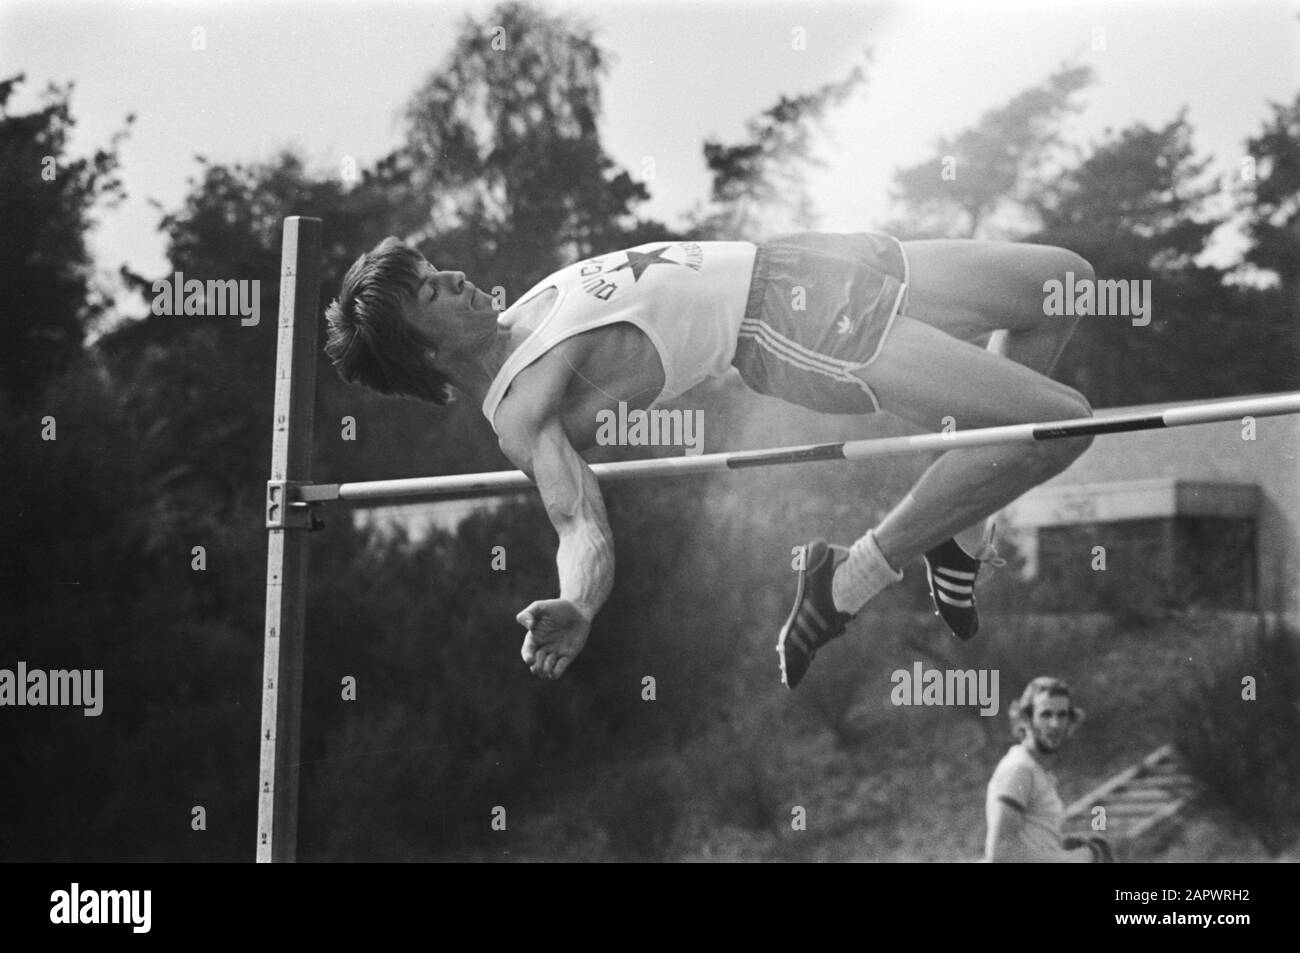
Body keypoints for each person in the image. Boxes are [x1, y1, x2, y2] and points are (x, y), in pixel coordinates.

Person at [324, 232, 1095, 685]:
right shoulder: (525, 412)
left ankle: (959, 536)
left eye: (434, 268)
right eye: (432, 292)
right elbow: (578, 522)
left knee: (1065, 284)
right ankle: (850, 575)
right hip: (795, 329)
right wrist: (581, 603)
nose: (453, 276)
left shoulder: (517, 311)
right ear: (426, 348)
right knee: (1062, 425)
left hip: (801, 256)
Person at [985, 676, 1113, 863]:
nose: (1055, 724)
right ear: (1027, 719)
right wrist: (1082, 857)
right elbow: (1000, 856)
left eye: (1062, 715)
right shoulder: (1020, 769)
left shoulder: (1037, 771)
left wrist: (1065, 843)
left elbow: (1029, 846)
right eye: (1046, 714)